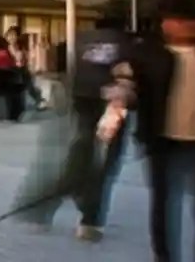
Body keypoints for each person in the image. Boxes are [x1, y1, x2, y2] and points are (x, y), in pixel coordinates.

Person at [101, 0, 195, 262]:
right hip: (161, 141)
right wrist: (118, 102)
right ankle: (164, 256)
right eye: (167, 20)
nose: (172, 26)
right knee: (164, 205)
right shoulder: (149, 50)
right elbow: (128, 79)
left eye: (179, 20)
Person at [22, 14, 132, 241]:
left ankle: (46, 207)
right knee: (104, 166)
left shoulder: (83, 41)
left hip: (84, 104)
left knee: (79, 158)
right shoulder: (125, 44)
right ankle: (89, 221)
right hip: (113, 109)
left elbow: (69, 73)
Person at [6, 26, 48, 111]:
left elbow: (25, 59)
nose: (12, 38)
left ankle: (39, 101)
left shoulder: (20, 47)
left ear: (17, 37)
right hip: (11, 71)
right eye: (10, 35)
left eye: (14, 35)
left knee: (28, 84)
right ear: (7, 37)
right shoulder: (5, 48)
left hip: (21, 70)